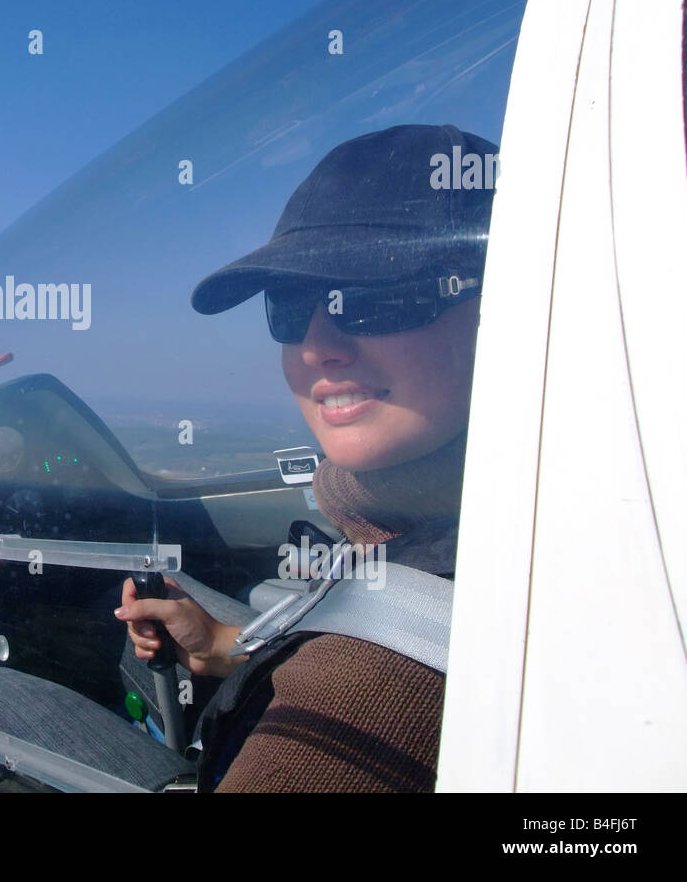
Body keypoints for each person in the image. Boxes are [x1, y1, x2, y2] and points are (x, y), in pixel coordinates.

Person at [115, 122, 497, 792]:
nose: (320, 345)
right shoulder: (451, 520)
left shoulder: (360, 696)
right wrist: (223, 646)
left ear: (508, 304)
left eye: (376, 293)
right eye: (290, 307)